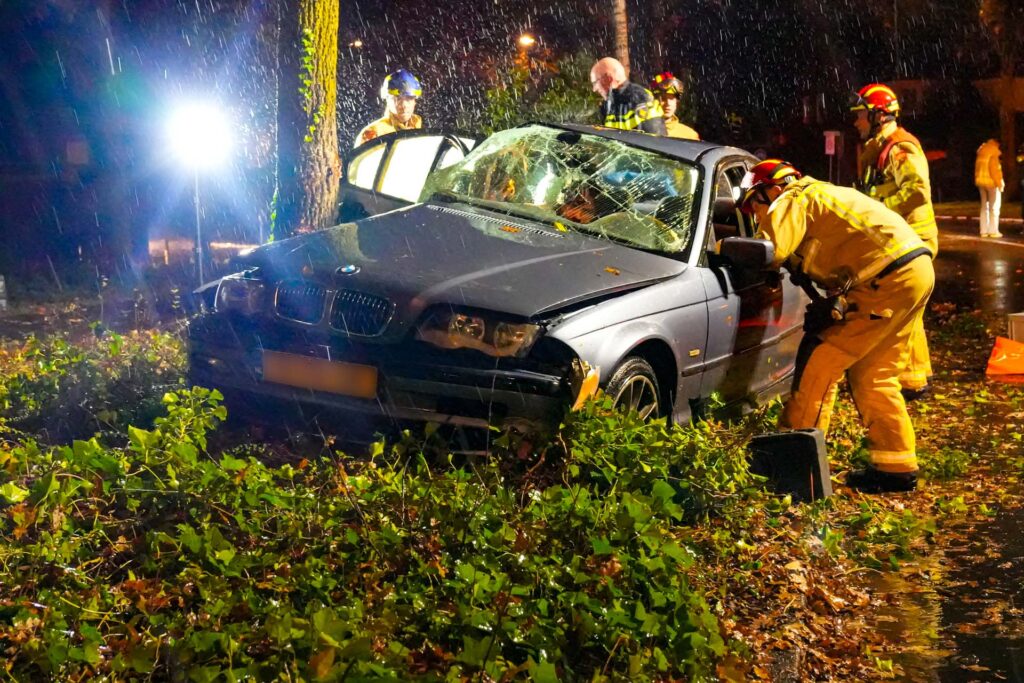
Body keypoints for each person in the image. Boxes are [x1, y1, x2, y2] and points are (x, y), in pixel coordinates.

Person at [737, 159, 934, 493]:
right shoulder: (822, 198)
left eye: (754, 208)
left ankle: (794, 465)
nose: (756, 217)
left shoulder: (790, 198)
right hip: (911, 272)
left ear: (768, 190)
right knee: (874, 375)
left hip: (885, 280)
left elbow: (772, 249)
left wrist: (725, 252)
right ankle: (895, 468)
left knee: (820, 359)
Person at [850, 82, 936, 401]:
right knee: (907, 309)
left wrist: (877, 212)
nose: (857, 122)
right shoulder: (879, 145)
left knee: (903, 307)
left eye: (861, 115)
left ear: (879, 115)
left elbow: (917, 192)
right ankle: (915, 375)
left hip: (914, 238)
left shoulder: (900, 147)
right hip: (901, 238)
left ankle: (912, 381)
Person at [589, 57, 666, 134]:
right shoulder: (611, 104)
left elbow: (655, 142)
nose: (594, 89)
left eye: (595, 82)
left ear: (609, 78)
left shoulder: (640, 99)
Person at [355, 69, 423, 147]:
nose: (404, 105)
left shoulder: (419, 127)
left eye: (409, 98)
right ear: (387, 100)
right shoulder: (373, 132)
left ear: (415, 101)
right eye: (398, 99)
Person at [649, 72, 699, 140]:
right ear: (654, 101)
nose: (668, 104)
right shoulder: (642, 130)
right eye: (663, 99)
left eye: (672, 99)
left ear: (677, 102)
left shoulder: (689, 135)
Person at [975, 138, 1005, 238]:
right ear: (996, 143)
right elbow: (994, 170)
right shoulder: (993, 152)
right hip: (991, 183)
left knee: (984, 207)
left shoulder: (981, 151)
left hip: (981, 182)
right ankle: (993, 231)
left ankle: (983, 231)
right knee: (994, 207)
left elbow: (977, 168)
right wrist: (1000, 183)